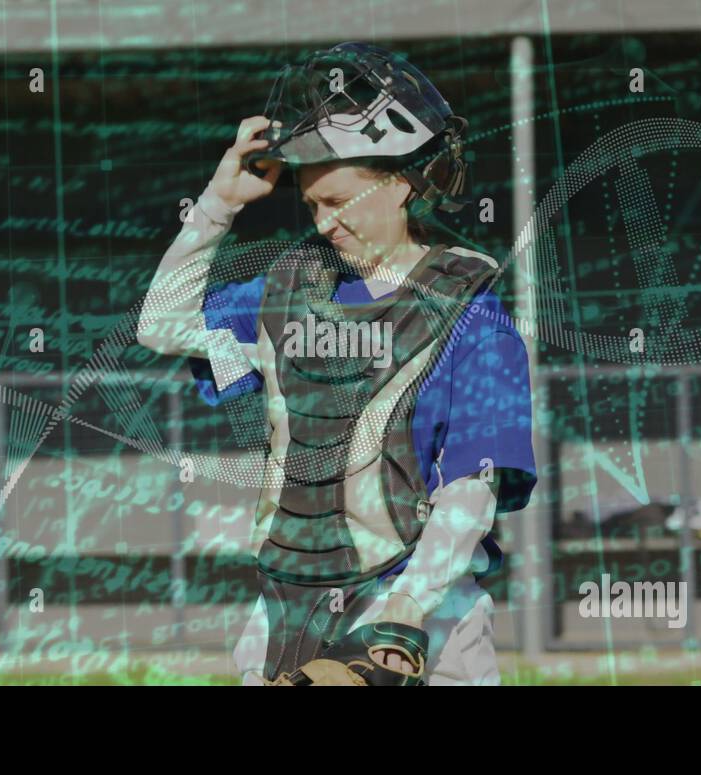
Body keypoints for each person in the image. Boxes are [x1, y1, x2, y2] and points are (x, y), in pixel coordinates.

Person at [138, 42, 534, 685]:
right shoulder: (287, 292)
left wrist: (404, 617)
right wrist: (219, 203)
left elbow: (472, 484)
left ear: (402, 184)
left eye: (341, 201)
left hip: (416, 612)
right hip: (284, 605)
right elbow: (159, 327)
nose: (324, 223)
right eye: (313, 203)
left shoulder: (472, 315)